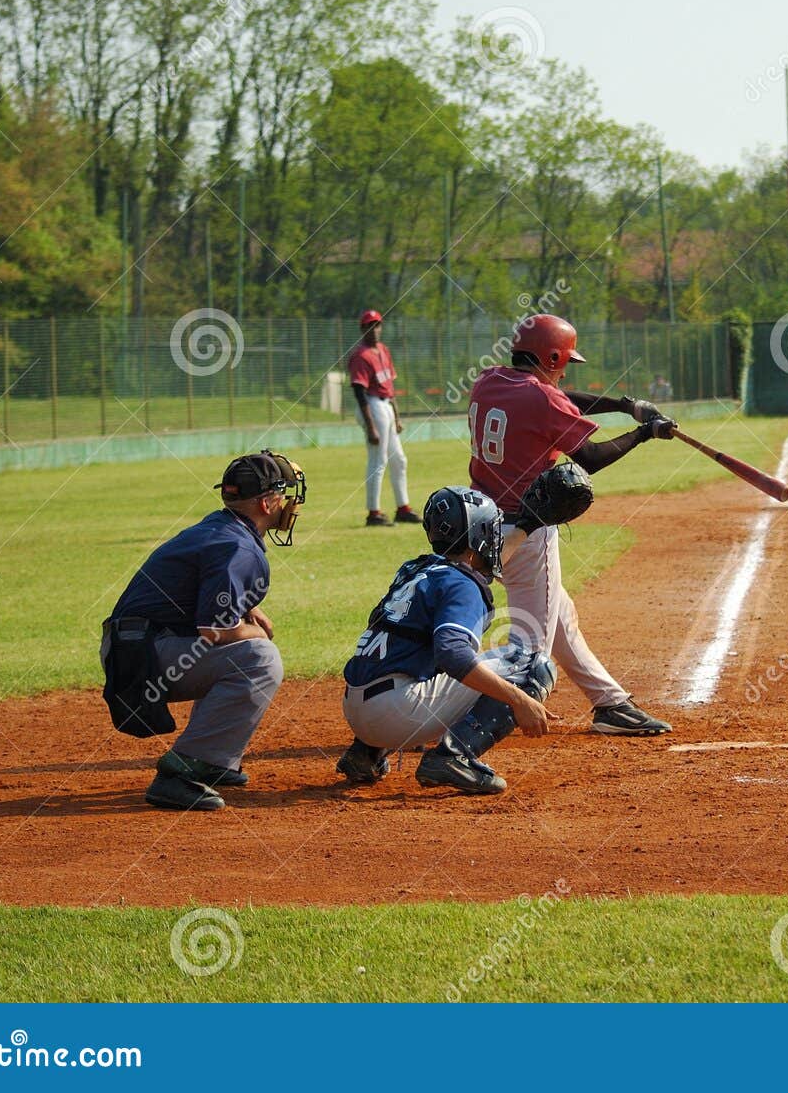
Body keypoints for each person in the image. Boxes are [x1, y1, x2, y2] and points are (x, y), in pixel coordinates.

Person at [467, 313, 675, 737]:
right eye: (563, 363)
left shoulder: (488, 380)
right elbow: (591, 458)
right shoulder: (543, 400)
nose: (564, 372)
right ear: (552, 356)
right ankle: (457, 720)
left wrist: (624, 405)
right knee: (531, 655)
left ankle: (610, 703)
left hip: (482, 526)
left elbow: (552, 398)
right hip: (528, 532)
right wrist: (643, 434)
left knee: (560, 615)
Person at [101, 450, 306, 811]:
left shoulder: (222, 527)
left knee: (241, 653)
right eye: (285, 494)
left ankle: (216, 758)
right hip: (142, 657)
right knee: (258, 658)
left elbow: (197, 585)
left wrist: (247, 608)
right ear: (266, 502)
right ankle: (182, 773)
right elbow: (213, 630)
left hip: (138, 645)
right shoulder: (237, 545)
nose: (290, 503)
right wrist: (251, 632)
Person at [335, 486, 555, 795]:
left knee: (422, 652)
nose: (495, 539)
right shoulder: (461, 584)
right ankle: (453, 757)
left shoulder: (415, 569)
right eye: (491, 531)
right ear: (478, 537)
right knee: (533, 667)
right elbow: (452, 655)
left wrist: (527, 526)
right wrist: (519, 699)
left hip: (356, 710)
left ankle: (366, 752)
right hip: (397, 712)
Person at [349, 309, 417, 526]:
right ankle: (374, 513)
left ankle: (403, 508)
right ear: (363, 329)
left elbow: (390, 386)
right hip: (371, 405)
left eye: (377, 324)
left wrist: (396, 417)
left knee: (399, 460)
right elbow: (359, 392)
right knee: (378, 460)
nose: (374, 329)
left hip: (385, 404)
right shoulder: (360, 355)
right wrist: (371, 427)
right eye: (370, 325)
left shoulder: (383, 350)